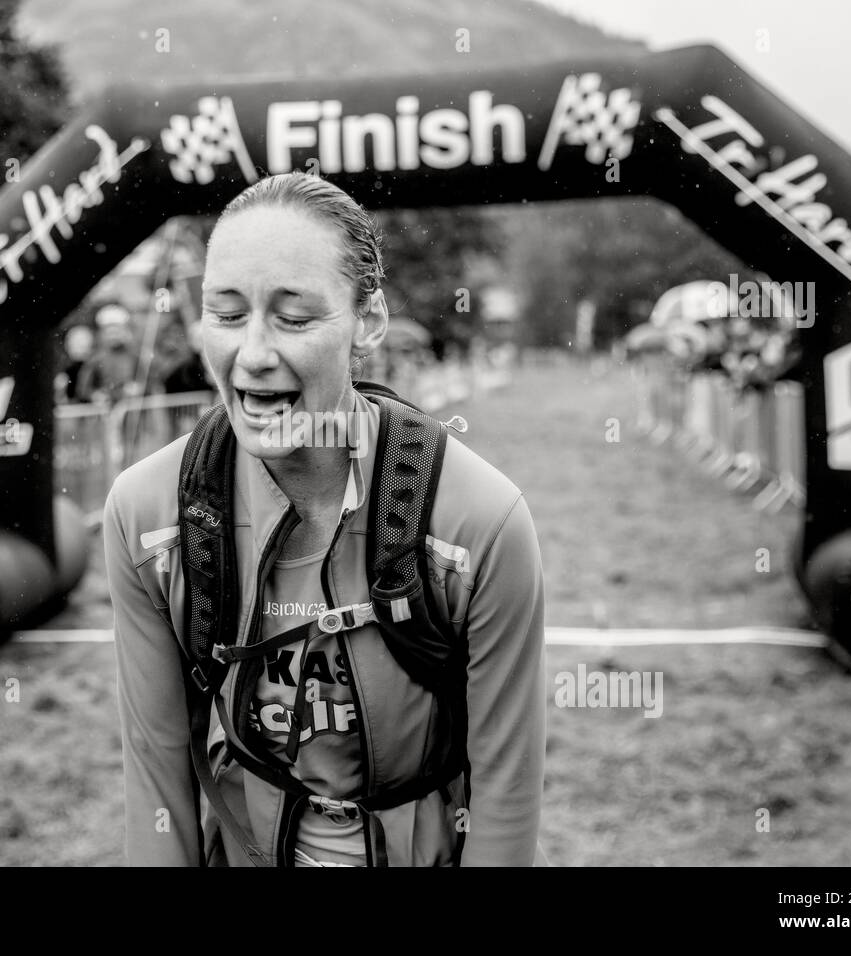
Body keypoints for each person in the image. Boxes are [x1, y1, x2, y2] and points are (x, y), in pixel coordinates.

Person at [103, 172, 546, 867]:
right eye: (225, 313)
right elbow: (157, 784)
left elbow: (507, 798)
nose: (251, 356)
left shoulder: (480, 521)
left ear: (369, 320)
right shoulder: (149, 513)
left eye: (294, 317)